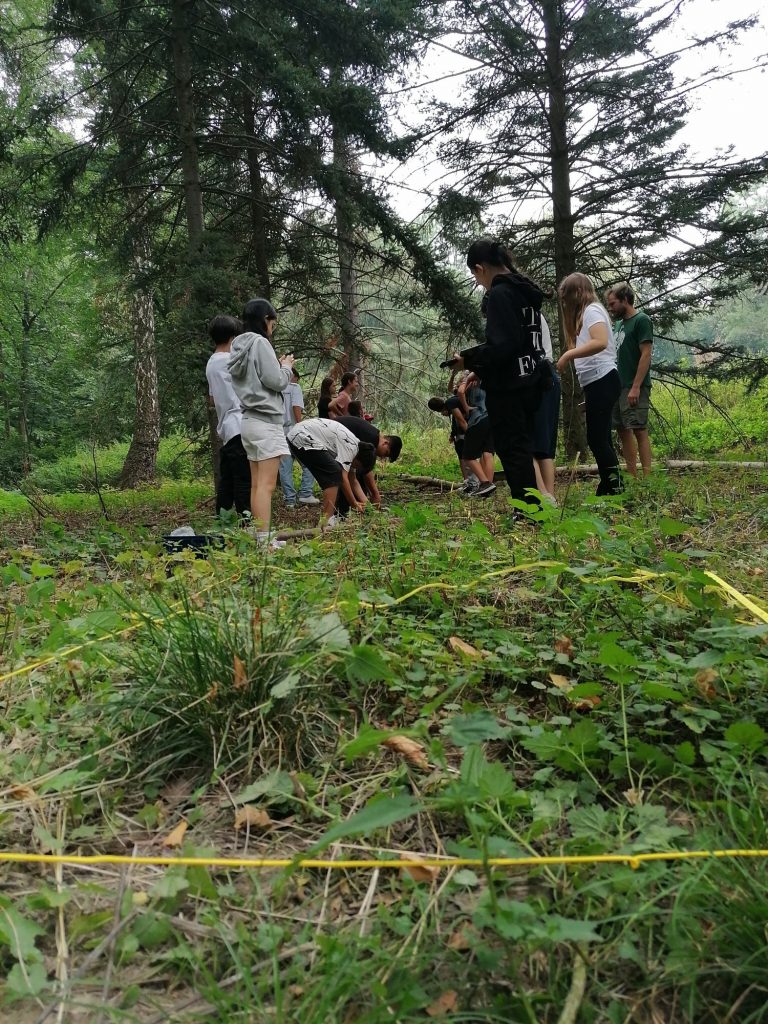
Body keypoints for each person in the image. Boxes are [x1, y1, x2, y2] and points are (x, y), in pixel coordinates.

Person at [451, 238, 547, 509]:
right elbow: (518, 340)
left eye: (475, 274)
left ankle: (528, 510)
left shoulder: (500, 295)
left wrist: (468, 359)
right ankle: (532, 507)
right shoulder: (523, 292)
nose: (478, 281)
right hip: (531, 378)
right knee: (522, 447)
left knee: (512, 448)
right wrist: (478, 368)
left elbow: (503, 346)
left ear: (480, 268)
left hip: (510, 386)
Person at [228, 298, 293, 544]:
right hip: (266, 421)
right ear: (266, 319)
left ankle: (260, 538)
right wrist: (285, 367)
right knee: (266, 486)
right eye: (272, 324)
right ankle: (265, 543)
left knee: (256, 485)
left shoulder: (238, 346)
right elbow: (275, 380)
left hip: (248, 421)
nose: (272, 329)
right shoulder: (260, 343)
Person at [556, 273, 622, 496]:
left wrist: (568, 355)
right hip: (596, 382)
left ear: (577, 293)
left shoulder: (593, 310)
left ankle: (614, 486)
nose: (565, 303)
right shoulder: (584, 315)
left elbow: (600, 341)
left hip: (603, 378)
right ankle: (610, 482)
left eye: (566, 297)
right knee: (600, 436)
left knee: (597, 437)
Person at [605, 282, 654, 477]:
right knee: (623, 430)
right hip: (617, 386)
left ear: (625, 300)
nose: (610, 308)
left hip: (634, 386)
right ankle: (633, 477)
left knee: (639, 429)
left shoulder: (642, 320)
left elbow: (646, 355)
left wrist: (636, 387)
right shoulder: (618, 325)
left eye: (613, 304)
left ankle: (647, 477)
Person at [286, 417, 371, 527]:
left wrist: (369, 507)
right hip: (302, 435)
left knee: (334, 473)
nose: (355, 467)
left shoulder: (356, 447)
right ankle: (326, 521)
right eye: (358, 465)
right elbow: (344, 478)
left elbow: (353, 480)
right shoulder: (352, 448)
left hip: (297, 434)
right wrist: (353, 503)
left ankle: (327, 519)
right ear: (359, 460)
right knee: (335, 474)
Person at [206, 315, 251, 519]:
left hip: (227, 428)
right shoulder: (229, 360)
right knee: (244, 480)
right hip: (240, 425)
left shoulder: (211, 363)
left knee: (228, 481)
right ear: (233, 338)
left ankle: (221, 522)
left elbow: (212, 400)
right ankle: (247, 523)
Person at [334, 415, 402, 509]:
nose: (382, 457)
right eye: (385, 453)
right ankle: (341, 511)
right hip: (329, 437)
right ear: (385, 443)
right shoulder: (371, 440)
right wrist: (375, 494)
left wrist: (371, 498)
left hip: (336, 440)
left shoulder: (373, 435)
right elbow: (366, 471)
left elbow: (363, 472)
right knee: (349, 476)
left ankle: (359, 507)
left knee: (354, 475)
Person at [530, 313, 560, 505]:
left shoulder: (520, 313)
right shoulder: (536, 313)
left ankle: (543, 497)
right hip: (549, 376)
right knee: (545, 446)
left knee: (527, 443)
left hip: (535, 379)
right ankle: (550, 498)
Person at [279, 368, 320, 507]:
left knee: (285, 468)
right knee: (310, 461)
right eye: (297, 378)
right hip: (294, 431)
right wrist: (300, 425)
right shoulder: (294, 387)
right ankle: (306, 493)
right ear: (292, 376)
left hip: (279, 432)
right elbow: (296, 407)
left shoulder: (274, 388)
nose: (297, 381)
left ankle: (289, 500)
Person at [456, 375, 496, 497]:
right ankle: (488, 488)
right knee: (487, 453)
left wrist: (466, 407)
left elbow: (460, 391)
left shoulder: (470, 375)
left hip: (478, 418)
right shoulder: (488, 375)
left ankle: (485, 483)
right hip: (492, 417)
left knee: (468, 456)